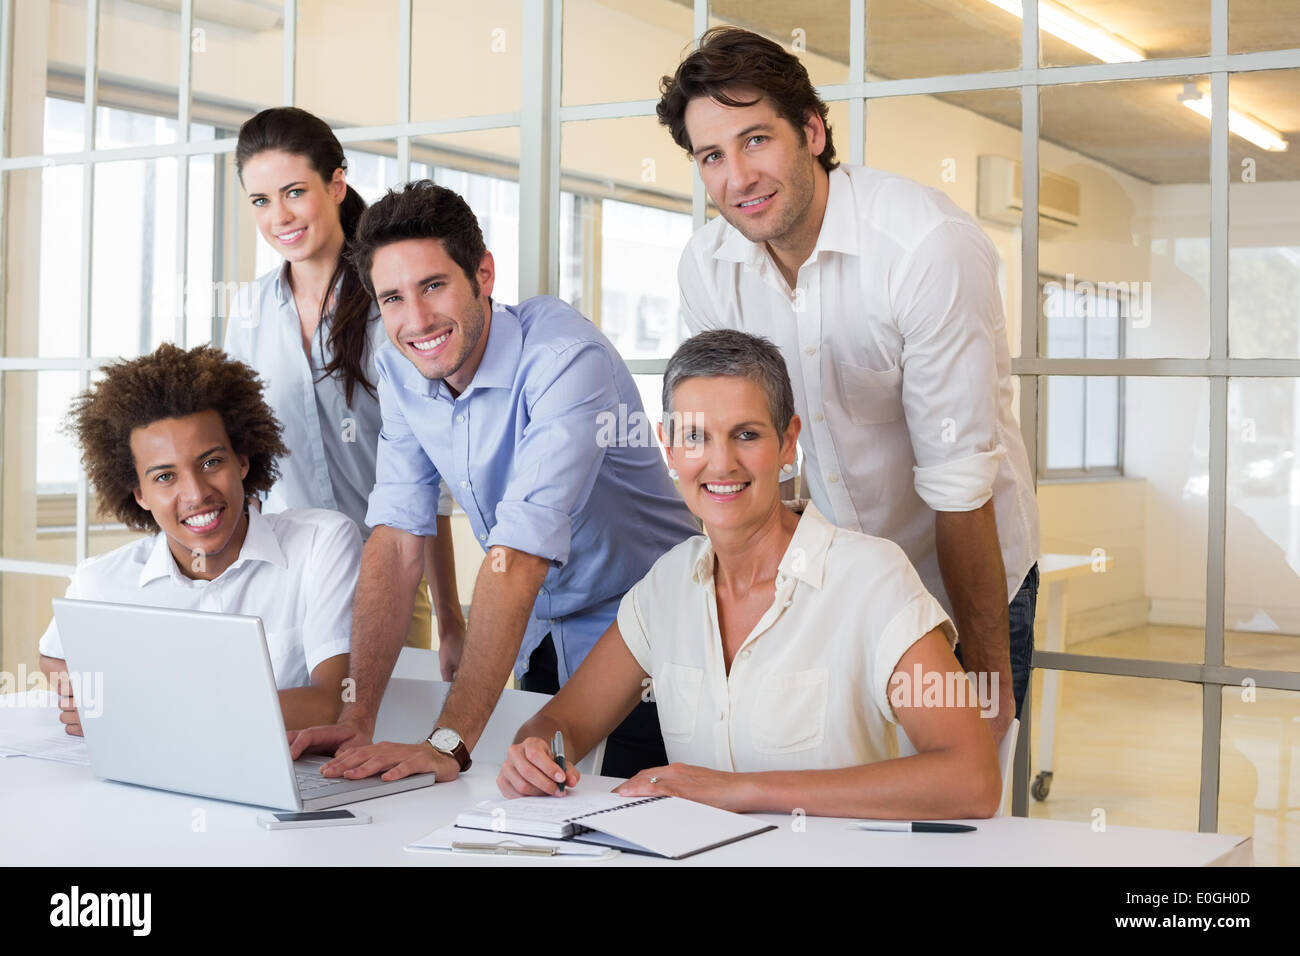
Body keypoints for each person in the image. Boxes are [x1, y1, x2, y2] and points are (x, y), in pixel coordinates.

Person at [657, 27, 1040, 739]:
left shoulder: (925, 248)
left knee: (962, 810)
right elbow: (729, 454)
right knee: (851, 798)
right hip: (835, 582)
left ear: (810, 130)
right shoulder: (709, 267)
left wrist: (987, 678)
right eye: (712, 155)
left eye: (756, 140)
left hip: (958, 570)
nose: (737, 176)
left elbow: (960, 486)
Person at [287, 181, 700, 780]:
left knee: (639, 820)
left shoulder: (564, 358)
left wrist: (447, 742)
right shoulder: (400, 367)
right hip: (538, 639)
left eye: (434, 286)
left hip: (647, 640)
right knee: (542, 816)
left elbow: (521, 553)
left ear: (483, 274)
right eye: (394, 298)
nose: (417, 319)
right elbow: (397, 539)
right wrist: (357, 718)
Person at [499, 330, 1001, 819]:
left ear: (788, 444)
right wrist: (535, 752)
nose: (721, 463)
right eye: (696, 437)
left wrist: (744, 790)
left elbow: (972, 778)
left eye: (746, 435)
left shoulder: (871, 578)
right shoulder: (667, 585)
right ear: (669, 450)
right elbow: (564, 721)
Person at [225, 106, 463, 657]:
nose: (279, 216)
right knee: (295, 738)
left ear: (336, 184)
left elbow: (430, 471)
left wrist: (451, 617)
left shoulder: (392, 302)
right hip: (289, 583)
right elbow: (246, 458)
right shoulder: (249, 312)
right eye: (261, 201)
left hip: (391, 578)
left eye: (294, 192)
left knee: (382, 739)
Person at [38, 343, 361, 734]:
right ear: (139, 494)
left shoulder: (320, 545)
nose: (195, 494)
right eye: (164, 477)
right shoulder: (102, 582)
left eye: (211, 462)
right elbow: (53, 657)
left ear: (242, 460)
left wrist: (138, 710)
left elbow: (330, 706)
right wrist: (90, 696)